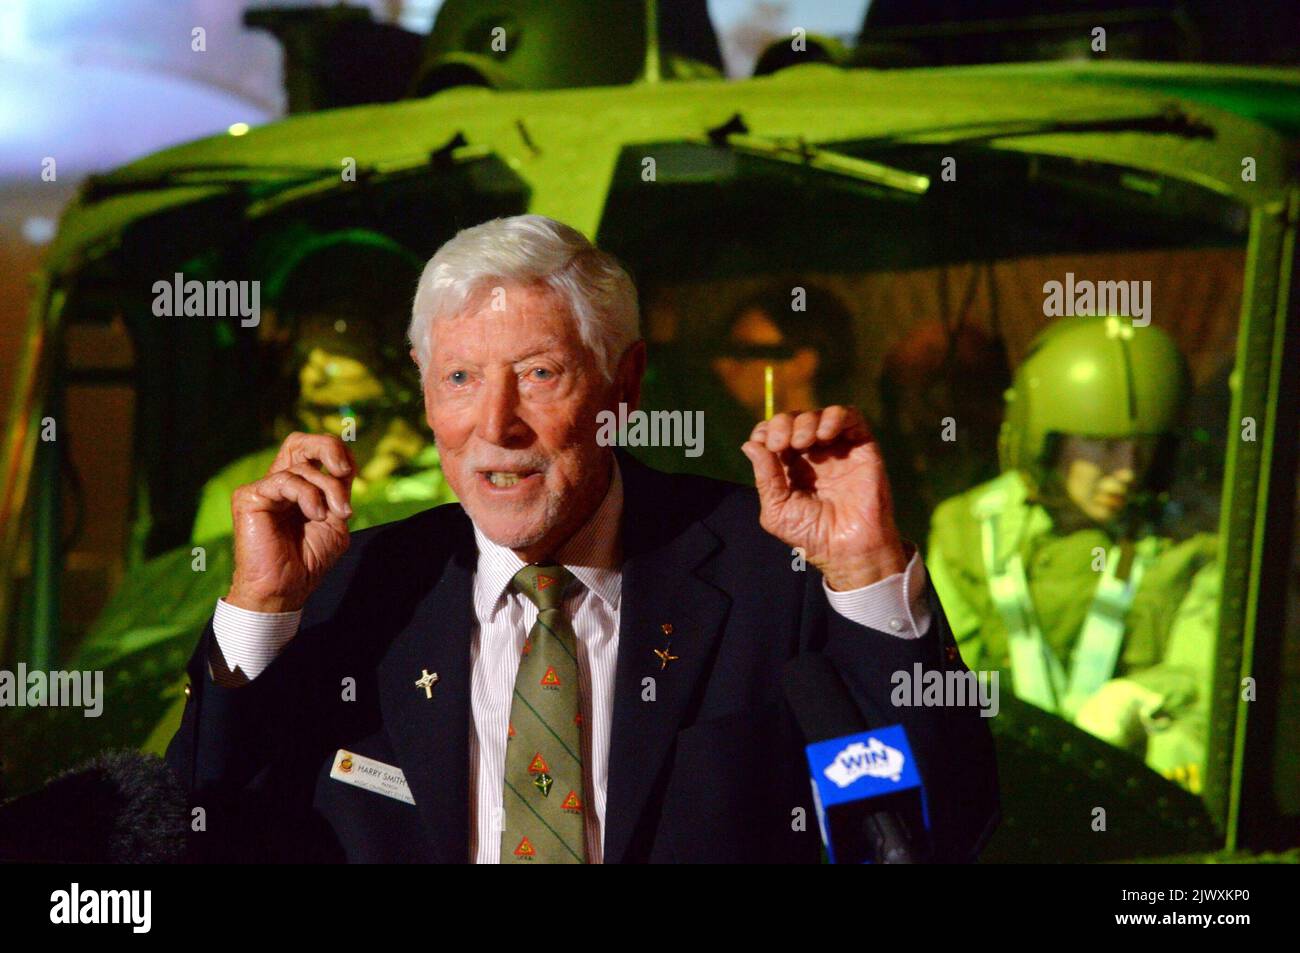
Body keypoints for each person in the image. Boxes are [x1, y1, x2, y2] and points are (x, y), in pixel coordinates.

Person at [165, 215, 998, 863]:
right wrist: (259, 610)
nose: (497, 425)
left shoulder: (771, 571)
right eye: (459, 379)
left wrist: (866, 571)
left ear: (623, 385)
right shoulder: (352, 588)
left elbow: (947, 824)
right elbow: (193, 830)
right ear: (425, 398)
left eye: (539, 374)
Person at [926, 315, 1217, 791]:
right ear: (1045, 442)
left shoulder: (1192, 542)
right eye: (1103, 447)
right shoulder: (969, 530)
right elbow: (947, 680)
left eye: (1143, 447)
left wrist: (1140, 695)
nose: (1127, 471)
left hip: (1142, 786)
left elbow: (1206, 673)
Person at [191, 230, 456, 544]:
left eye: (335, 356)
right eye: (302, 358)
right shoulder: (245, 491)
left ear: (400, 355)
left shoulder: (461, 481)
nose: (311, 379)